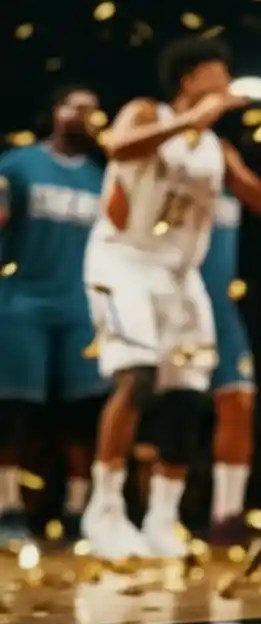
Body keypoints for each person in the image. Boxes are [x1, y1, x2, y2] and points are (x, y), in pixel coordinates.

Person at [84, 36, 261, 559]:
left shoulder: (217, 149)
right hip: (124, 262)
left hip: (180, 279)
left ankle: (162, 517)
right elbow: (115, 146)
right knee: (136, 377)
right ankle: (105, 509)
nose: (226, 81)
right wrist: (193, 118)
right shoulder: (146, 112)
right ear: (188, 78)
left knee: (186, 396)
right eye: (215, 71)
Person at [0, 86, 108, 545]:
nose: (81, 115)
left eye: (91, 108)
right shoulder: (18, 164)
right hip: (22, 302)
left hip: (82, 307)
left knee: (84, 414)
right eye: (73, 106)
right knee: (13, 411)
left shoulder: (103, 177)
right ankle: (8, 507)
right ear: (55, 111)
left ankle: (78, 512)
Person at [202, 192, 254, 546]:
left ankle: (226, 515)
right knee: (169, 405)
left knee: (240, 400)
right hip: (168, 293)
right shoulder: (162, 153)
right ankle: (152, 512)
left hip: (222, 309)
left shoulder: (225, 158)